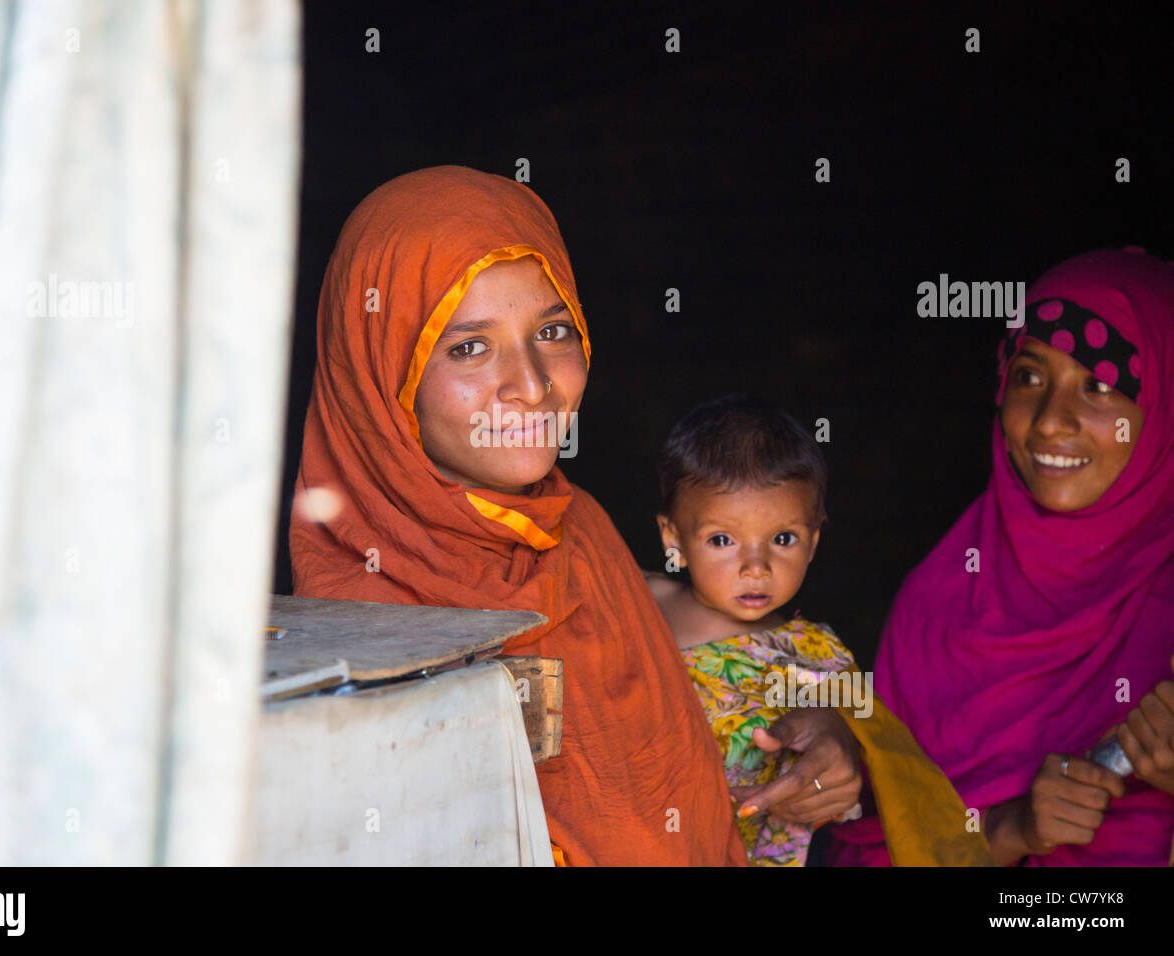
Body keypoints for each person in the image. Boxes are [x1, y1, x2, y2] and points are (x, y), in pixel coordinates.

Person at [288, 165, 768, 865]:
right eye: (469, 347)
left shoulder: (580, 529)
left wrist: (835, 737)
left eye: (552, 330)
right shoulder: (354, 629)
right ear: (379, 373)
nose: (533, 385)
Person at [828, 247, 1174, 866]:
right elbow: (866, 849)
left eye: (1098, 385)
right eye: (1031, 377)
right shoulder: (940, 603)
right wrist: (1007, 830)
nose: (1047, 423)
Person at [647, 395, 994, 865]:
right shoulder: (641, 602)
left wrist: (838, 738)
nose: (756, 566)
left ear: (813, 542)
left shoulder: (814, 652)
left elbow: (884, 758)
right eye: (722, 540)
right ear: (674, 539)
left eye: (782, 539)